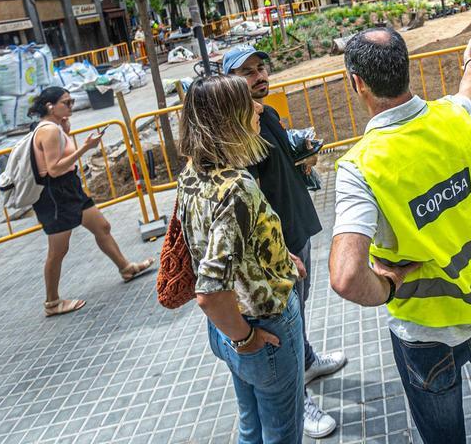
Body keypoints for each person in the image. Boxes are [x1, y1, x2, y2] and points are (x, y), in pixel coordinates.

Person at [329, 28, 471, 444]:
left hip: (425, 335)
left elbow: (345, 277)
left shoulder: (360, 168)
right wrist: (470, 60)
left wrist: (387, 287)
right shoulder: (455, 117)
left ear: (357, 82)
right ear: (406, 69)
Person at [223, 44, 346, 439]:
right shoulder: (240, 130)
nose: (259, 76)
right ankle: (300, 399)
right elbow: (250, 195)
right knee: (285, 320)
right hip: (277, 248)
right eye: (247, 72)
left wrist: (302, 153)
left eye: (261, 68)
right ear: (228, 83)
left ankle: (307, 361)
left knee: (300, 309)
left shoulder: (266, 114)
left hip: (294, 228)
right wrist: (279, 252)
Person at [177, 75, 305, 444]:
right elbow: (210, 291)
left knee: (251, 428)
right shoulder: (236, 187)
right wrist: (245, 339)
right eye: (248, 103)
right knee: (282, 434)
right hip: (262, 331)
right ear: (227, 117)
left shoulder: (193, 173)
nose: (259, 108)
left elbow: (227, 245)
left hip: (227, 329)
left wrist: (279, 256)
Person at [28, 87, 155, 317]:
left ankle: (126, 268)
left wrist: (65, 132)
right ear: (50, 106)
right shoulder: (48, 131)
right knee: (58, 250)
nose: (71, 106)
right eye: (66, 102)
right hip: (55, 194)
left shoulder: (55, 128)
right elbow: (55, 169)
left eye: (72, 101)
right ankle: (52, 302)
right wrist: (86, 147)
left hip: (69, 188)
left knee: (102, 226)